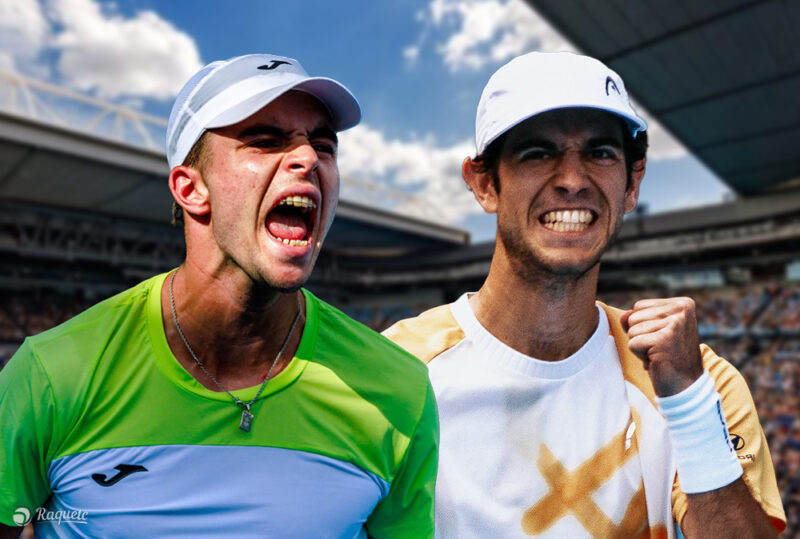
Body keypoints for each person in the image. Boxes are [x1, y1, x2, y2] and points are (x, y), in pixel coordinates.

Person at [0, 54, 437, 538]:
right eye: (265, 141)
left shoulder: (399, 390)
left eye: (323, 145)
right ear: (191, 189)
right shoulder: (52, 373)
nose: (309, 159)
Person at [384, 51, 785, 538]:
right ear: (485, 183)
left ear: (631, 183)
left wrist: (690, 404)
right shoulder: (395, 370)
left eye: (600, 153)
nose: (573, 180)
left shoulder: (701, 385)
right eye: (537, 153)